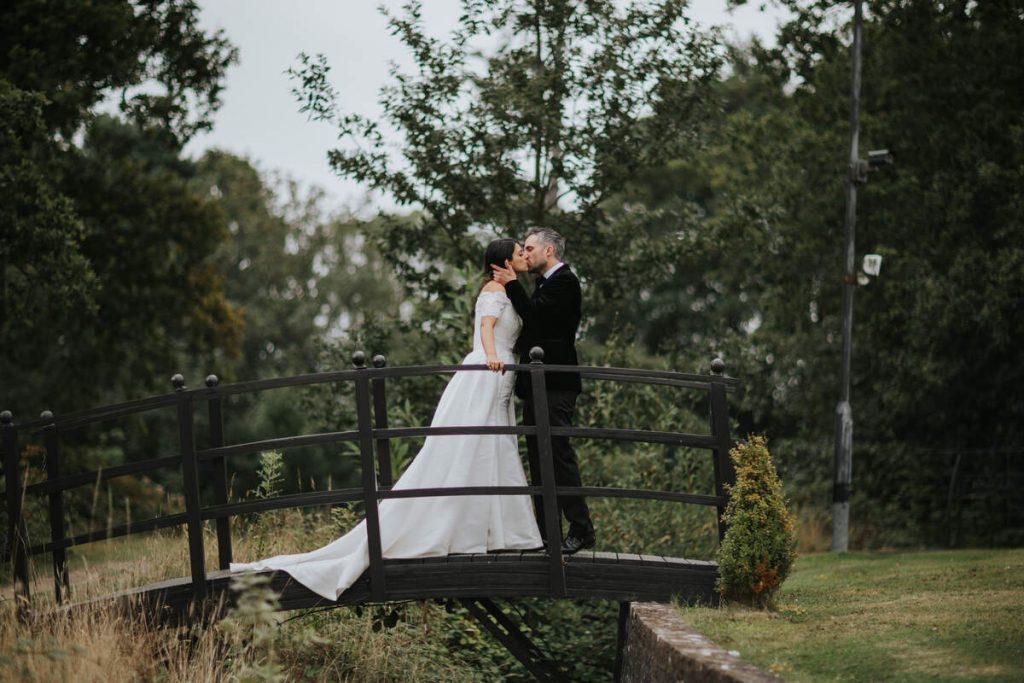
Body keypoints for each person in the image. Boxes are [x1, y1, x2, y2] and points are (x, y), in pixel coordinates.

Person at [231, 239, 542, 601]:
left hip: (502, 373)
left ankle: (502, 531)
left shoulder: (510, 291)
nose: (524, 256)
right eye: (520, 252)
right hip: (488, 371)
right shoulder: (493, 291)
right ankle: (468, 529)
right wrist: (491, 359)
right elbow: (486, 328)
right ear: (503, 261)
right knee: (473, 443)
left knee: (494, 443)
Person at [491, 227, 595, 555]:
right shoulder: (542, 283)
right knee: (537, 456)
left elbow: (535, 315)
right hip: (535, 383)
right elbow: (532, 327)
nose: (526, 253)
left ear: (549, 251)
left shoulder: (566, 282)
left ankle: (581, 529)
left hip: (557, 383)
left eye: (531, 248)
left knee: (559, 455)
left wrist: (510, 284)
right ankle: (546, 532)